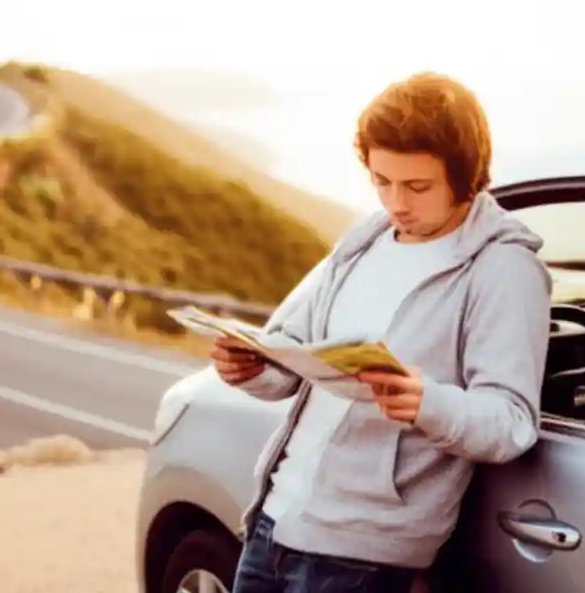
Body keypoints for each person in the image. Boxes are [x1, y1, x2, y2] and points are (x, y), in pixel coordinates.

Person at [209, 72, 552, 593]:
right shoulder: (365, 239)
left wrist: (425, 402)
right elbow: (290, 353)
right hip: (274, 520)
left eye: (417, 186)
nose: (396, 202)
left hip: (362, 555)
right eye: (381, 181)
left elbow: (512, 420)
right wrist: (250, 368)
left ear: (466, 175)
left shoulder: (503, 269)